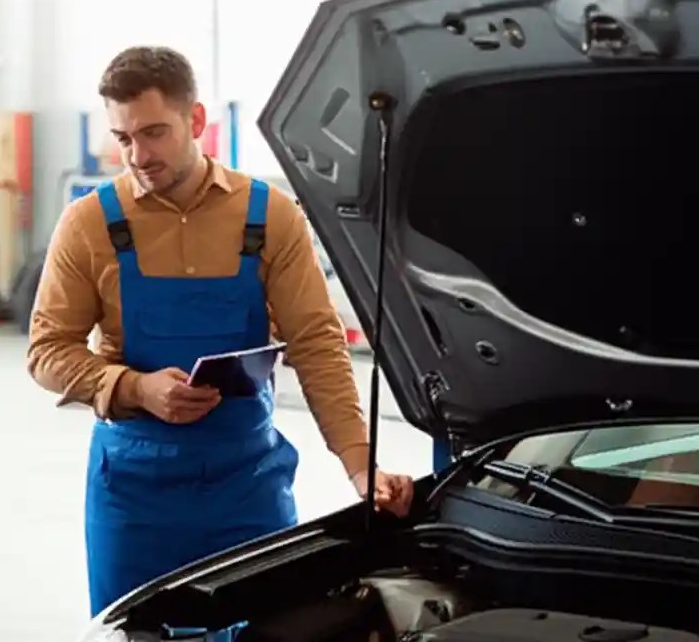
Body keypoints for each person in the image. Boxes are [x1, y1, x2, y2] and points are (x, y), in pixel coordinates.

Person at [27, 45, 415, 616]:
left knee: (267, 627)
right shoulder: (90, 223)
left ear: (197, 121)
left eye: (154, 133)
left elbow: (316, 344)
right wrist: (136, 389)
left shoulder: (269, 216)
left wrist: (360, 465)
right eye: (124, 137)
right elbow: (47, 351)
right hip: (133, 493)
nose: (138, 155)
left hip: (248, 484)